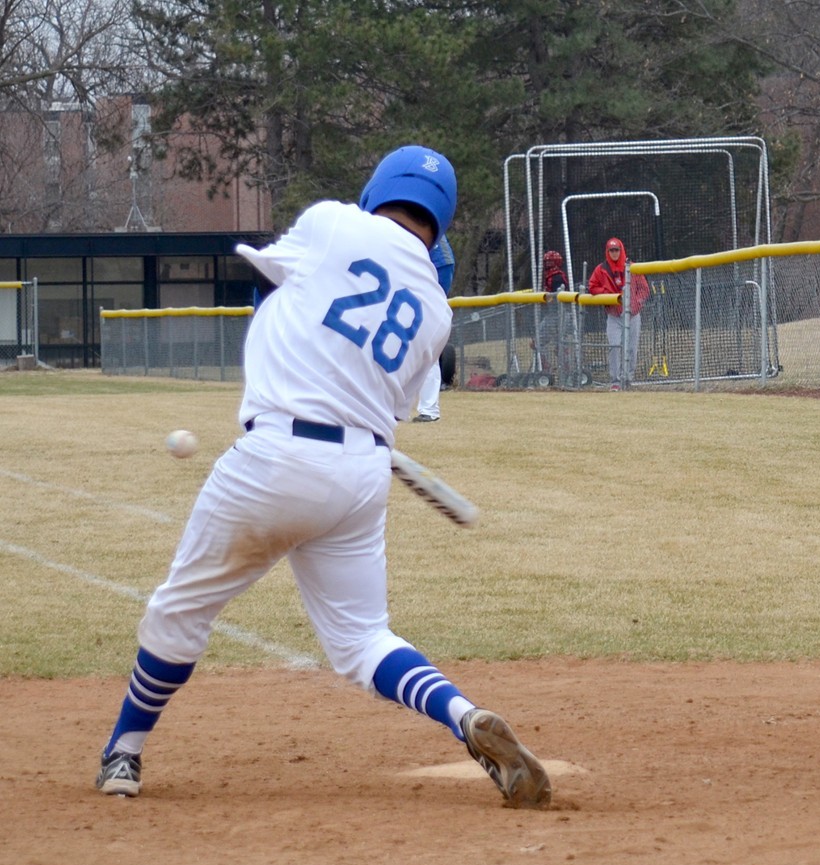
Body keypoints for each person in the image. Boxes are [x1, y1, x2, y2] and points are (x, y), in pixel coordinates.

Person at [93, 145, 553, 810]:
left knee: (180, 609)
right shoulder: (436, 306)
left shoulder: (332, 221)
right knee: (364, 638)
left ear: (377, 187)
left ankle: (124, 752)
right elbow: (388, 398)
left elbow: (264, 281)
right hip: (359, 474)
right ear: (440, 221)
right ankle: (463, 715)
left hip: (273, 456)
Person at [586, 236, 649, 390]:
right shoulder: (601, 269)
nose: (614, 253)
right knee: (614, 346)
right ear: (607, 252)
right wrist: (607, 293)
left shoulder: (632, 267)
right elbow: (592, 287)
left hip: (632, 315)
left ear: (621, 250)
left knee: (632, 348)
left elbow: (644, 289)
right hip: (613, 315)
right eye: (611, 250)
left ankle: (627, 379)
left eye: (617, 250)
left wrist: (637, 303)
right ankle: (615, 381)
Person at [412, 234, 456, 422]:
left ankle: (429, 410)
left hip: (434, 269)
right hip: (433, 267)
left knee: (425, 343)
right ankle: (427, 409)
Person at [533, 250, 569, 384]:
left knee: (537, 342)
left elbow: (556, 298)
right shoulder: (549, 276)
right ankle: (562, 369)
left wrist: (544, 298)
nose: (547, 265)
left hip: (558, 315)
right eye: (546, 262)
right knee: (559, 344)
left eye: (550, 262)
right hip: (554, 315)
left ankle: (548, 369)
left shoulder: (557, 277)